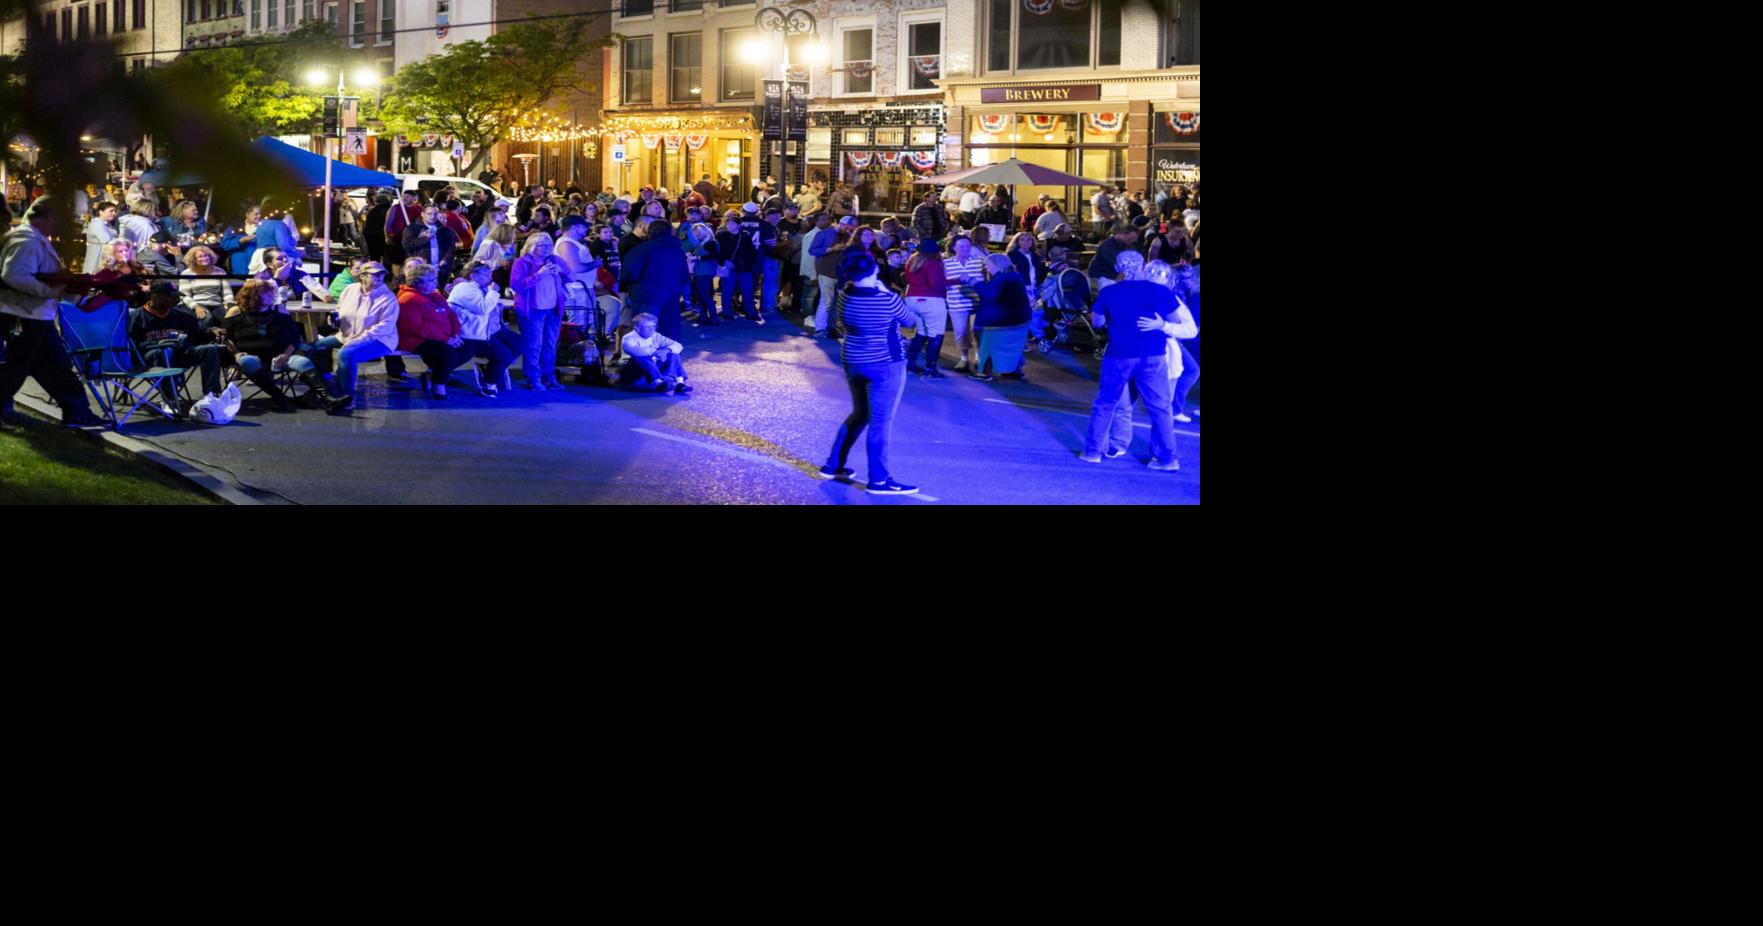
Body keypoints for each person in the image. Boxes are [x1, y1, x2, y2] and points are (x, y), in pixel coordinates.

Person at [820, 249, 921, 495]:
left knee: (859, 413)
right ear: (874, 270)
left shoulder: (845, 294)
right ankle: (879, 479)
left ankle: (834, 464)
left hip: (854, 359)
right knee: (880, 423)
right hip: (885, 362)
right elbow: (910, 321)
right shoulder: (885, 299)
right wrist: (887, 292)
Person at [0, 197, 105, 426]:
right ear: (50, 217)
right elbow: (14, 276)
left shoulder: (32, 240)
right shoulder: (26, 241)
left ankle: (76, 411)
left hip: (35, 315)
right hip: (25, 316)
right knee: (18, 369)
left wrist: (71, 293)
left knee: (53, 367)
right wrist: (50, 292)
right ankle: (76, 411)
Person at [1080, 252, 1180, 470]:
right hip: (1153, 354)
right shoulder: (1161, 291)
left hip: (1120, 354)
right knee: (1160, 408)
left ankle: (1093, 451)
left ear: (1119, 267)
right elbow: (1175, 321)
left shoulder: (1109, 292)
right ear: (1143, 265)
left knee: (1106, 403)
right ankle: (1167, 459)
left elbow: (1097, 323)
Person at [220, 279, 337, 412]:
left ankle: (328, 398)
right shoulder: (236, 311)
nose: (271, 296)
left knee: (303, 362)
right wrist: (235, 352)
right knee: (248, 361)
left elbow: (295, 337)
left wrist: (286, 355)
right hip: (249, 356)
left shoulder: (279, 310)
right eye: (266, 293)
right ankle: (278, 397)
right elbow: (225, 337)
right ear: (252, 294)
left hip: (281, 356)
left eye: (271, 293)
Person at [312, 260, 399, 412]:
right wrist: (334, 319)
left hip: (379, 340)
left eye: (381, 274)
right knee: (316, 347)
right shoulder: (350, 290)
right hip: (347, 335)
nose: (379, 277)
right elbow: (339, 309)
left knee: (347, 353)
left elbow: (384, 327)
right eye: (374, 275)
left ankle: (347, 398)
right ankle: (329, 382)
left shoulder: (388, 297)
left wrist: (357, 341)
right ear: (363, 276)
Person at [128, 281, 230, 409]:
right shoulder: (137, 317)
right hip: (152, 358)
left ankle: (211, 396)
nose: (176, 299)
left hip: (181, 354)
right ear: (155, 296)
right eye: (171, 296)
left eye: (177, 296)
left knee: (209, 350)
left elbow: (199, 333)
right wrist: (158, 344)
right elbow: (132, 346)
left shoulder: (181, 315)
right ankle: (169, 399)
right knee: (165, 351)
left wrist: (213, 332)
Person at [395, 261, 468, 399]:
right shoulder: (408, 299)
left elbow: (451, 314)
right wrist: (447, 339)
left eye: (435, 279)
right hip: (415, 339)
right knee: (447, 352)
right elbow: (417, 328)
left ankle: (432, 374)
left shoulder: (436, 294)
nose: (435, 282)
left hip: (442, 336)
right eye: (430, 280)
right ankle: (438, 383)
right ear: (417, 282)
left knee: (467, 347)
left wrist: (456, 333)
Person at [620, 217, 690, 343]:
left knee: (645, 334)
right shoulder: (677, 250)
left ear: (650, 232)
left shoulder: (640, 250)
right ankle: (669, 359)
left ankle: (646, 361)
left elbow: (630, 274)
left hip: (645, 297)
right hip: (671, 297)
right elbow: (684, 276)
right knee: (668, 331)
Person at [510, 232, 566, 390]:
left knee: (550, 345)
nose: (547, 248)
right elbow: (517, 286)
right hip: (532, 310)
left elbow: (572, 276)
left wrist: (561, 271)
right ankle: (533, 378)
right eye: (542, 245)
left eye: (549, 245)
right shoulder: (521, 262)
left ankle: (548, 377)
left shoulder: (555, 259)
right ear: (532, 246)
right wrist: (538, 275)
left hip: (553, 309)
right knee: (534, 345)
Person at [968, 253, 1032, 382]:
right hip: (1019, 319)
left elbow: (989, 293)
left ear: (997, 264)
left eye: (988, 265)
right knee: (1013, 346)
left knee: (986, 344)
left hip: (999, 321)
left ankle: (985, 373)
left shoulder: (1002, 278)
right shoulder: (1016, 276)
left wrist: (973, 282)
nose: (986, 268)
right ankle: (1014, 370)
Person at [715, 204, 770, 324]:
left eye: (732, 224)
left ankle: (750, 312)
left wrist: (748, 265)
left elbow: (751, 252)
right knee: (727, 291)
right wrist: (724, 262)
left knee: (747, 291)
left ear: (739, 225)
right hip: (729, 269)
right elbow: (717, 252)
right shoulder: (721, 235)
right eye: (728, 224)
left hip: (744, 269)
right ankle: (727, 312)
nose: (729, 226)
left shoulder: (744, 236)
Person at [902, 239, 948, 377]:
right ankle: (931, 368)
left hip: (912, 299)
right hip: (931, 300)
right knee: (936, 333)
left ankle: (910, 363)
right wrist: (959, 280)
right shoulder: (933, 263)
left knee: (921, 332)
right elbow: (935, 284)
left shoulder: (912, 262)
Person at [618, 312, 692, 395]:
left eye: (653, 326)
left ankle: (679, 383)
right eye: (648, 327)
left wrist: (666, 350)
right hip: (632, 373)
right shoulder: (628, 338)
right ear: (637, 328)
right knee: (640, 357)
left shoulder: (655, 336)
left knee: (673, 355)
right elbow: (637, 351)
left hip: (650, 370)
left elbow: (678, 346)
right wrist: (656, 352)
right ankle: (659, 383)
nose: (652, 329)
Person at [941, 235, 985, 372]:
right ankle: (964, 358)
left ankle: (979, 357)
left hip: (977, 303)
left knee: (977, 331)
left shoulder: (979, 262)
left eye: (967, 246)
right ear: (954, 247)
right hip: (956, 304)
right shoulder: (946, 263)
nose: (965, 249)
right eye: (961, 246)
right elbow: (942, 282)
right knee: (960, 332)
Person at [402, 203, 461, 287]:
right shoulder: (412, 228)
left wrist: (445, 259)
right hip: (421, 268)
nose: (433, 216)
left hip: (441, 268)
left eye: (435, 214)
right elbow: (407, 246)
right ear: (422, 214)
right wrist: (425, 238)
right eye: (429, 214)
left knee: (439, 291)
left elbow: (451, 247)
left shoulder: (444, 229)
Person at [812, 226, 854, 337]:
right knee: (826, 301)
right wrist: (831, 249)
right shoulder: (824, 234)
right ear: (842, 223)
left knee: (839, 303)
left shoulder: (849, 236)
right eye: (849, 226)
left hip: (842, 275)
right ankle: (820, 329)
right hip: (827, 273)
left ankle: (832, 328)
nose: (850, 229)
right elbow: (812, 250)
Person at [179, 245, 233, 323]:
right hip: (197, 303)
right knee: (207, 318)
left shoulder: (220, 271)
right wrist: (195, 306)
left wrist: (230, 305)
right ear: (194, 259)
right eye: (200, 257)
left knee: (228, 318)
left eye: (206, 256)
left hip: (217, 303)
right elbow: (184, 295)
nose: (204, 258)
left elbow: (227, 293)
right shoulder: (186, 273)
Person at [686, 222, 726, 326]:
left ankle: (713, 318)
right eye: (694, 232)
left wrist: (696, 257)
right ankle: (704, 317)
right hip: (699, 271)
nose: (696, 234)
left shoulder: (711, 242)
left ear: (704, 231)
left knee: (704, 295)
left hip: (706, 271)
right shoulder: (701, 243)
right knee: (700, 295)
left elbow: (713, 256)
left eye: (698, 232)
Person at [797, 211, 832, 323]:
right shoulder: (811, 235)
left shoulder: (826, 234)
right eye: (822, 220)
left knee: (817, 296)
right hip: (813, 272)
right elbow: (809, 257)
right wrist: (812, 275)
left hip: (822, 271)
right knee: (810, 296)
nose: (826, 222)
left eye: (827, 219)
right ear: (816, 222)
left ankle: (815, 317)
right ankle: (808, 318)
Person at [382, 190, 422, 277]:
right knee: (396, 260)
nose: (404, 198)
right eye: (403, 196)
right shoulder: (395, 208)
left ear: (414, 198)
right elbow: (388, 223)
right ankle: (397, 279)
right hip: (397, 238)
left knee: (409, 259)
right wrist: (387, 236)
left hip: (411, 238)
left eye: (408, 196)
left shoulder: (418, 209)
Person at [83, 201, 121, 273]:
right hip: (97, 255)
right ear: (101, 212)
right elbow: (107, 240)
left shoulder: (107, 224)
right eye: (111, 211)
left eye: (115, 211)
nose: (114, 213)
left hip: (106, 254)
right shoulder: (96, 224)